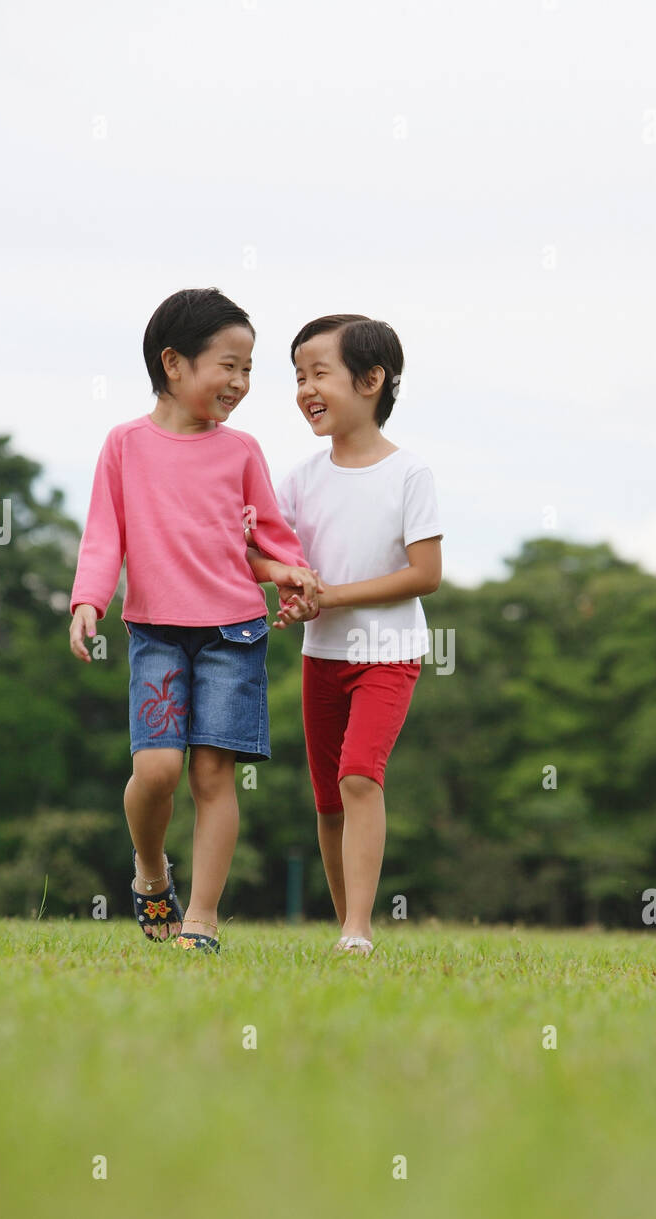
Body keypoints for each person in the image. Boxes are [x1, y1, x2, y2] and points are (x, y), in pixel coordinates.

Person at [68, 287, 320, 954]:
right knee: (156, 772)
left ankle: (202, 923)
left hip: (234, 634)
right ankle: (151, 872)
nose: (240, 382)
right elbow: (103, 537)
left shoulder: (241, 452)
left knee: (213, 776)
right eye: (228, 365)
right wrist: (88, 601)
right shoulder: (124, 446)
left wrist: (288, 574)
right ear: (173, 363)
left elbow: (271, 540)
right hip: (154, 631)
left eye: (248, 368)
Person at [246, 315, 442, 957]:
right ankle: (345, 927)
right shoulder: (301, 479)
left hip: (388, 657)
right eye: (298, 376)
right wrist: (291, 586)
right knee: (328, 800)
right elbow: (261, 551)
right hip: (321, 657)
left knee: (360, 775)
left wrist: (327, 594)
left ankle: (359, 931)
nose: (305, 389)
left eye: (318, 373)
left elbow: (424, 575)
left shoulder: (410, 474)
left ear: (371, 379)